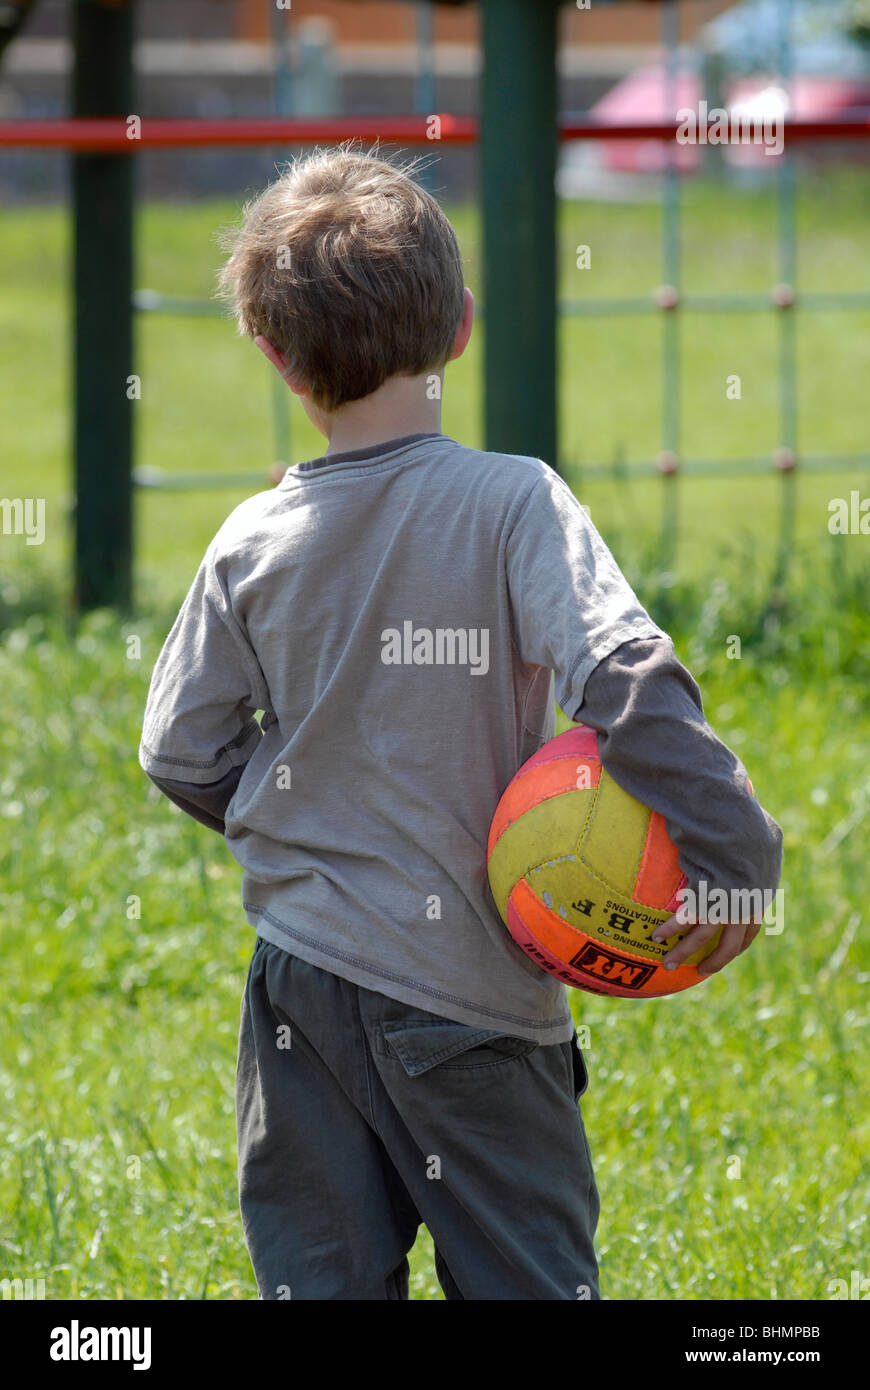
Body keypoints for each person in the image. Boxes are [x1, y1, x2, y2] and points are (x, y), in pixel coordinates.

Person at [138, 146, 782, 1301]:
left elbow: (177, 748)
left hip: (302, 990)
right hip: (475, 998)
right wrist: (734, 852)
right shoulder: (513, 502)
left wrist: (301, 820)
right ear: (463, 327)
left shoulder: (250, 539)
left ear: (278, 359)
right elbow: (626, 675)